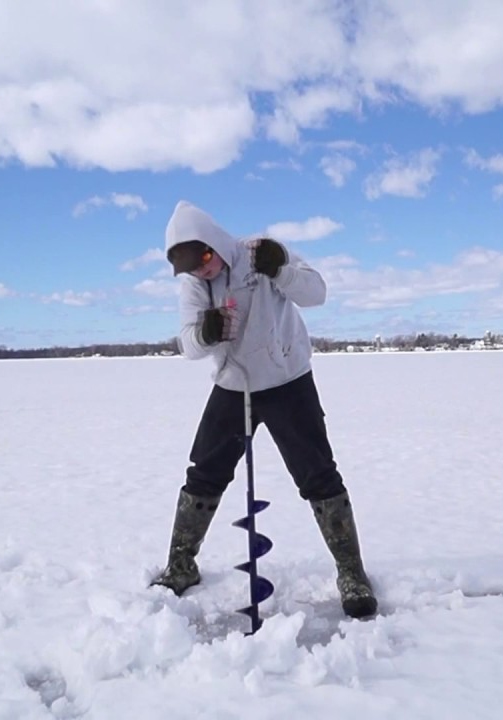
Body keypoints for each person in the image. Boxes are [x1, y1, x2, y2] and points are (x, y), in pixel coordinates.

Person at [151, 200, 377, 619]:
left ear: (214, 243)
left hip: (288, 382)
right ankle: (181, 564)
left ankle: (352, 573)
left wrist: (282, 271)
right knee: (204, 473)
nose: (201, 270)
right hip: (233, 386)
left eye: (203, 258)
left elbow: (317, 293)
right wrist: (206, 331)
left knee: (318, 475)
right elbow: (188, 346)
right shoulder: (196, 286)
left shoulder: (261, 252)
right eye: (189, 267)